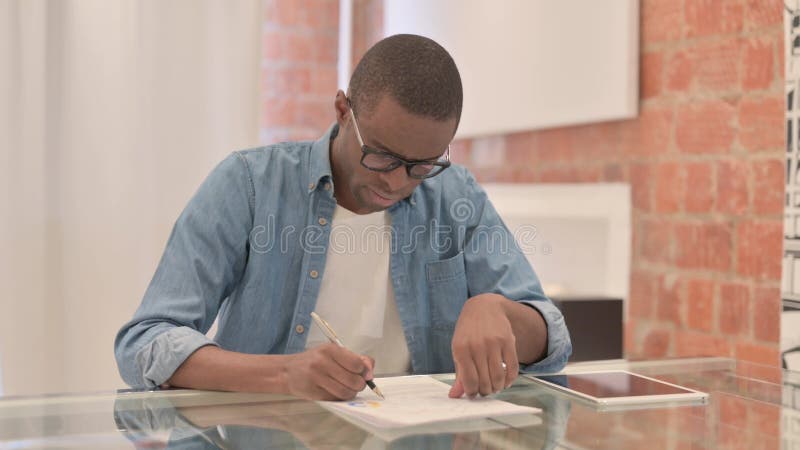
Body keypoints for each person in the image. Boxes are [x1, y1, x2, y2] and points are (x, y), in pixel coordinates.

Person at [115, 34, 571, 401]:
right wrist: (284, 375)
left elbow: (552, 339)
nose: (397, 182)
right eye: (383, 157)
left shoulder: (454, 196)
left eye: (422, 165)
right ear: (342, 111)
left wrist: (498, 311)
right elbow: (145, 343)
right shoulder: (250, 185)